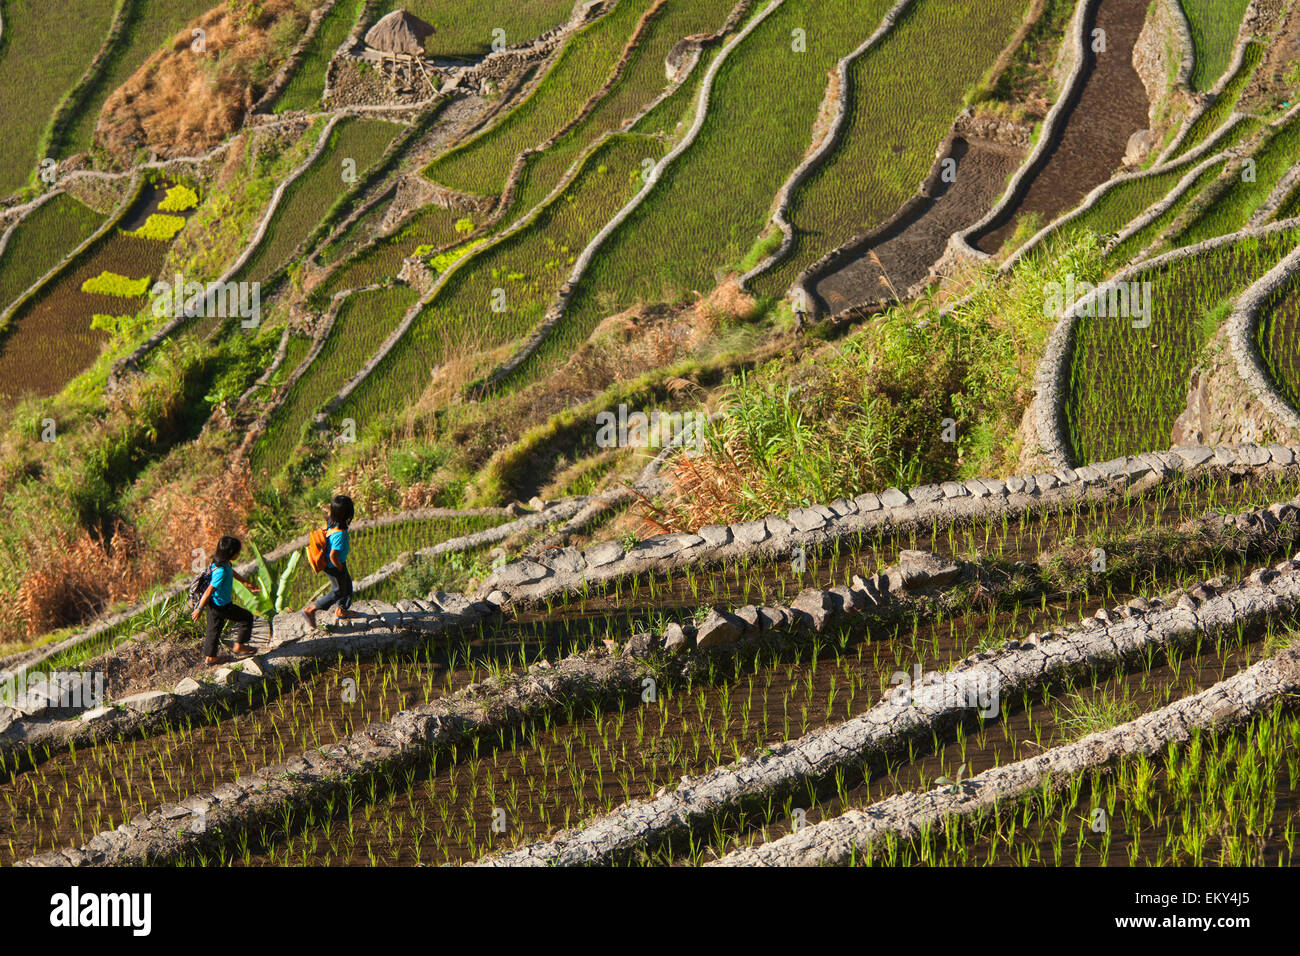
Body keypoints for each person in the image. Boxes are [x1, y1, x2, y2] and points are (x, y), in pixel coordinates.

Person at [190, 535, 259, 665]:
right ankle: (239, 646)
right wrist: (199, 609)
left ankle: (211, 658)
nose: (239, 554)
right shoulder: (220, 572)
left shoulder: (221, 563)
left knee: (213, 630)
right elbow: (209, 590)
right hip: (222, 606)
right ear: (231, 553)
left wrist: (246, 583)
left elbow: (231, 572)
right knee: (247, 618)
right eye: (238, 552)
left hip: (214, 604)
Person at [302, 494, 357, 627]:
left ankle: (341, 610)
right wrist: (339, 567)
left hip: (333, 564)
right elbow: (333, 555)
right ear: (347, 515)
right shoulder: (340, 534)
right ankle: (310, 610)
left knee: (347, 586)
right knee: (337, 591)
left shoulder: (331, 522)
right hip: (334, 566)